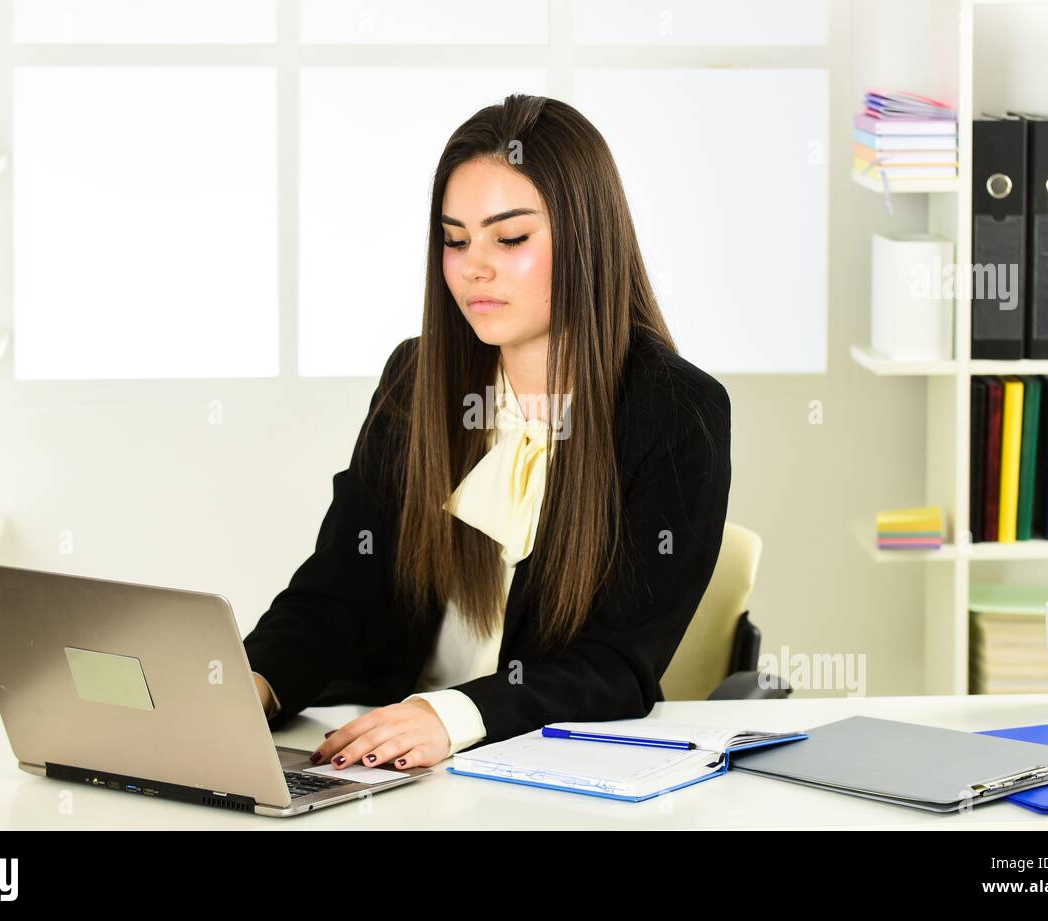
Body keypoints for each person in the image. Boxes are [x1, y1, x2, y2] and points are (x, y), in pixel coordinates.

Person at [244, 93, 731, 772]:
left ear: (587, 238)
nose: (474, 266)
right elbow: (335, 595)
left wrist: (446, 715)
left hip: (533, 769)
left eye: (509, 238)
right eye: (454, 238)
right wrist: (252, 685)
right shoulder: (416, 380)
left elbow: (615, 666)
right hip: (384, 763)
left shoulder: (678, 412)